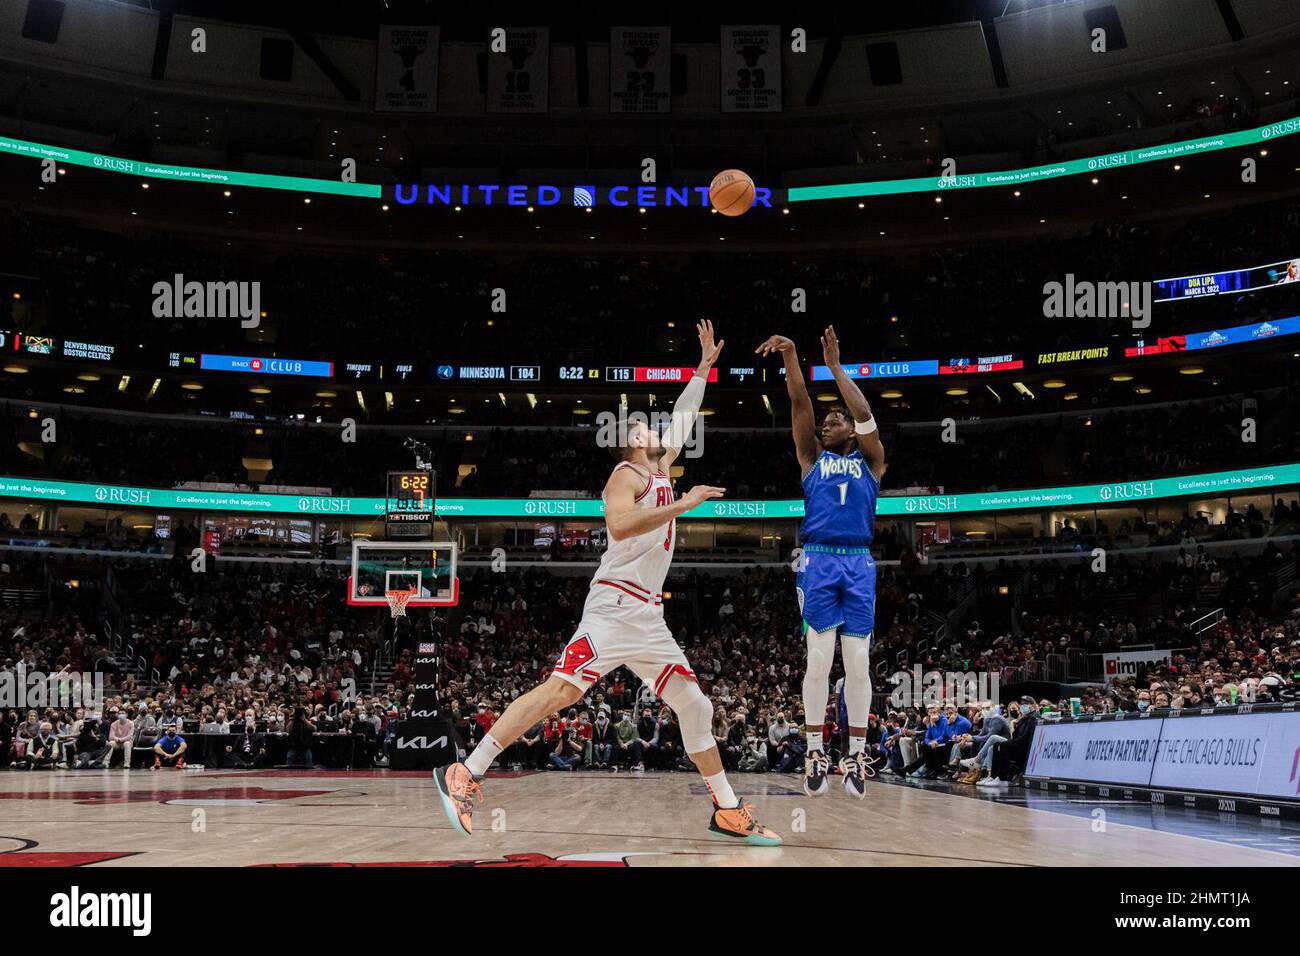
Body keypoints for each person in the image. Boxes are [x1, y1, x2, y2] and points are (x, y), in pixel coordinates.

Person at [434, 321, 779, 845]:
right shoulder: (626, 475)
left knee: (696, 705)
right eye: (647, 429)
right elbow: (618, 525)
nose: (658, 431)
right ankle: (466, 771)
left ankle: (727, 809)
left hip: (648, 618)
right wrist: (685, 505)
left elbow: (684, 416)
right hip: (614, 608)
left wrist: (702, 369)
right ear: (633, 442)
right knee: (559, 693)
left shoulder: (658, 470)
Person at [757, 327, 884, 799]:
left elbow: (865, 413)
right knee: (818, 658)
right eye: (825, 421)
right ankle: (815, 750)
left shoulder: (872, 460)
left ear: (851, 430)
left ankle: (856, 755)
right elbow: (799, 404)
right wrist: (792, 356)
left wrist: (834, 368)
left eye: (834, 421)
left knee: (858, 663)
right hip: (820, 561)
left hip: (859, 563)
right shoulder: (811, 458)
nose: (826, 425)